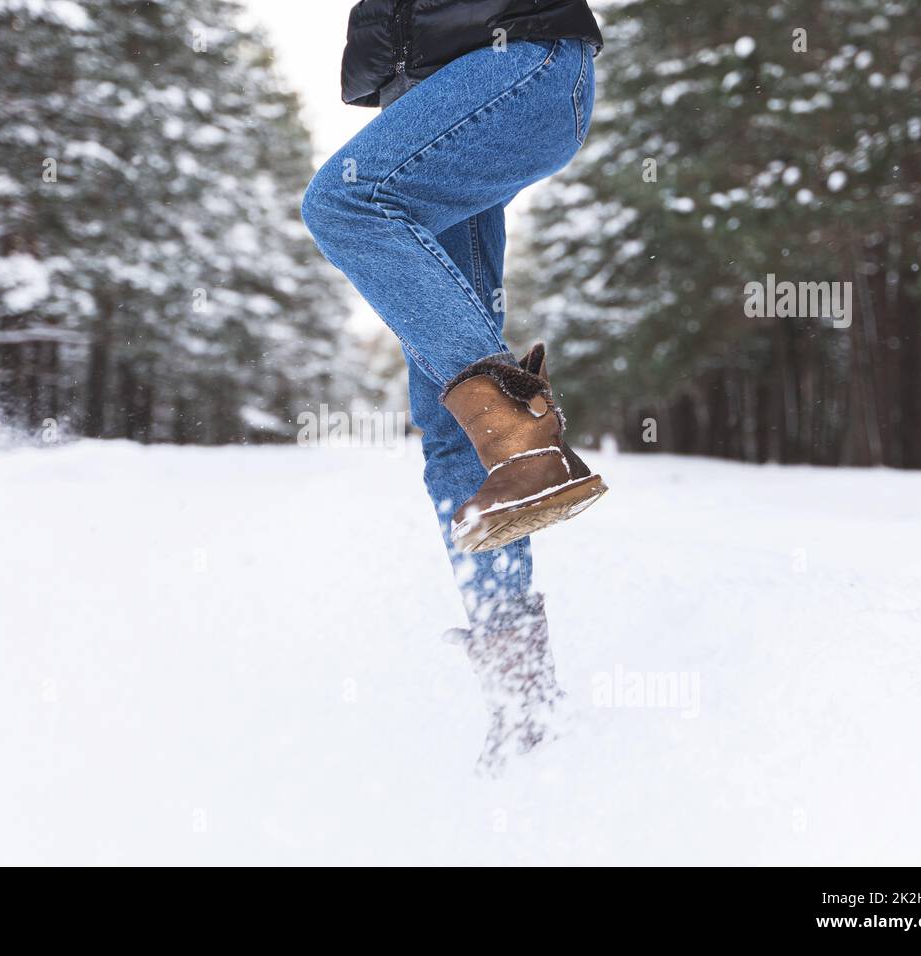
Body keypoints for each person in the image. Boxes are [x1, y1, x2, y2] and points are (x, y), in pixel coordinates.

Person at [301, 0, 606, 776]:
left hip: (520, 66)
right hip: (429, 99)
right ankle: (523, 699)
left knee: (346, 199)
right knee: (449, 429)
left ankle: (519, 424)